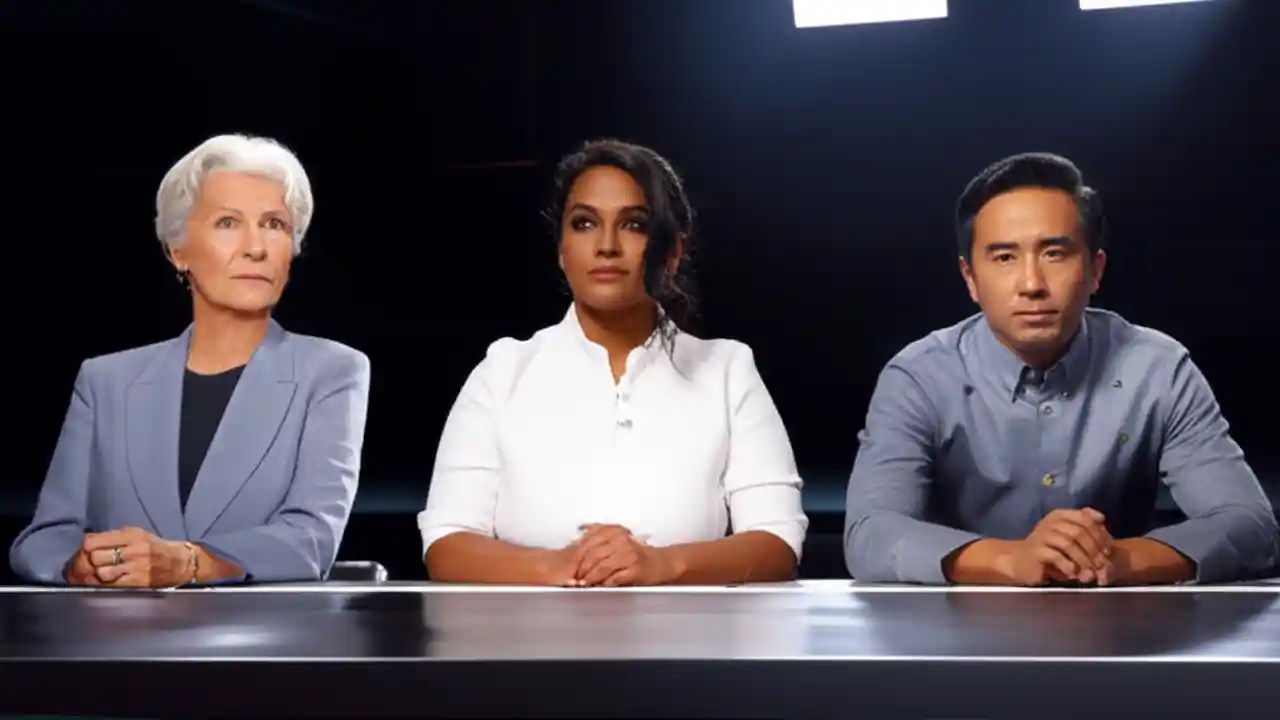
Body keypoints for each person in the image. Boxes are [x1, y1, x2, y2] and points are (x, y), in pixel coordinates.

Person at [844, 151, 1278, 586]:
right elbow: (870, 535)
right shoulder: (919, 376)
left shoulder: (1158, 369)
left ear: (1095, 270)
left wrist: (1110, 558)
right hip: (952, 633)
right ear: (970, 278)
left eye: (1054, 253)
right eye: (1004, 258)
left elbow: (1250, 526)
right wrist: (1012, 560)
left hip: (1122, 629)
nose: (1032, 284)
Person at [418, 139, 808, 586]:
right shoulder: (504, 370)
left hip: (687, 649)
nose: (606, 245)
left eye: (635, 225)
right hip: (524, 649)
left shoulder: (727, 370)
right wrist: (557, 566)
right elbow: (447, 543)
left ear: (673, 251)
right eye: (584, 223)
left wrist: (660, 564)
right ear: (561, 249)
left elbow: (777, 544)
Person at [9, 134, 371, 587]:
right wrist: (79, 566)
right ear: (177, 251)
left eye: (274, 224)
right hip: (114, 646)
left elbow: (310, 540)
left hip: (268, 650)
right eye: (227, 222)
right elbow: (44, 540)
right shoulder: (105, 381)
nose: (256, 246)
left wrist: (186, 562)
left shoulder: (333, 370)